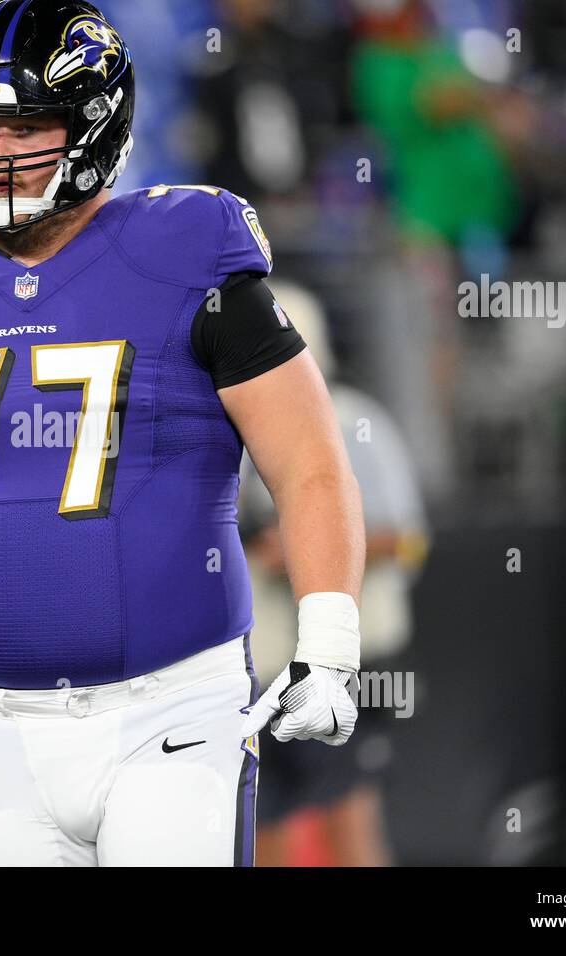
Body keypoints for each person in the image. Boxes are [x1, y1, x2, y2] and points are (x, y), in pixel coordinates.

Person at [0, 0, 364, 867]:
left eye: (23, 127)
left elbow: (307, 461)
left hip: (175, 712)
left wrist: (331, 642)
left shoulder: (186, 248)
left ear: (96, 124)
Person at [241, 282, 429, 866]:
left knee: (348, 816)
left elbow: (410, 540)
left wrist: (304, 549)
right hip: (265, 663)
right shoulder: (233, 434)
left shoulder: (352, 422)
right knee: (259, 824)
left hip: (350, 656)